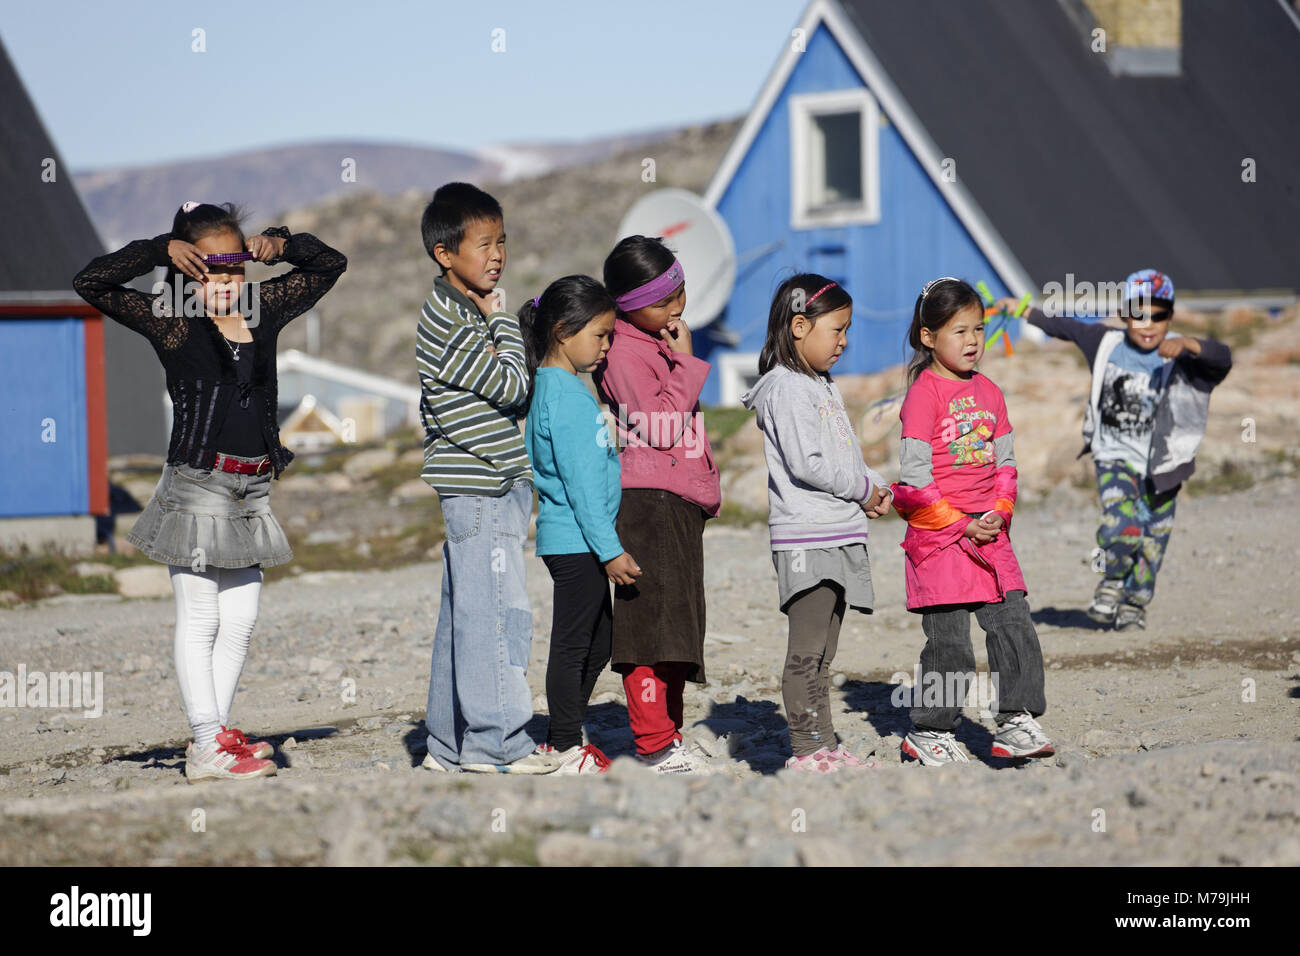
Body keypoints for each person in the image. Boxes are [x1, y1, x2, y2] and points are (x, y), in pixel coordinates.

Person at [73, 200, 347, 782]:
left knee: (241, 619)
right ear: (185, 266)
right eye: (208, 268)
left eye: (233, 267)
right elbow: (90, 281)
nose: (223, 281)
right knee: (200, 620)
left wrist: (282, 244)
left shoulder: (262, 308)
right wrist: (155, 249)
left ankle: (217, 736)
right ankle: (205, 744)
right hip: (198, 485)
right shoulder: (171, 320)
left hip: (253, 489)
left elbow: (330, 265)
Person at [416, 183, 556, 774]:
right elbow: (511, 385)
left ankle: (448, 749)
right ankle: (499, 743)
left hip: (485, 486)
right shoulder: (452, 319)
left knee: (464, 619)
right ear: (445, 253)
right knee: (497, 613)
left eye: (502, 241)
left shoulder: (460, 311)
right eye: (483, 244)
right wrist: (502, 322)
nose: (497, 255)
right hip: (482, 486)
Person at [1008, 269, 1232, 629]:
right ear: (1125, 314)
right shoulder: (1106, 343)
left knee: (1152, 542)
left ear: (1170, 318)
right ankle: (1111, 580)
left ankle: (1134, 604)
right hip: (1114, 457)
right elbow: (1063, 326)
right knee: (1119, 525)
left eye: (1158, 316)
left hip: (1164, 466)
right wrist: (1021, 310)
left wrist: (1190, 344)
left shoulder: (1182, 354)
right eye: (1138, 314)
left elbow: (1222, 359)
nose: (1148, 324)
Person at [891, 277, 1053, 765]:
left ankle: (1016, 719)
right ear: (928, 337)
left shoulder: (991, 392)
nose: (972, 341)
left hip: (991, 534)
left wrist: (999, 513)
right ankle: (929, 730)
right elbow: (915, 478)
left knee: (1014, 625)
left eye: (979, 329)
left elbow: (1006, 464)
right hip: (940, 537)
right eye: (959, 331)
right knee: (950, 645)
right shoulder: (923, 395)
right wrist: (960, 523)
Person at [741, 275, 890, 772]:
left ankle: (824, 743)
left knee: (825, 651)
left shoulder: (820, 386)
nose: (844, 341)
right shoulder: (785, 388)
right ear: (799, 326)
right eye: (837, 329)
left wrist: (873, 483)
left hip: (837, 530)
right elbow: (808, 463)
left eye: (848, 331)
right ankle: (806, 750)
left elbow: (843, 455)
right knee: (806, 651)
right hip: (807, 536)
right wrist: (861, 489)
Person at [593, 236, 720, 773]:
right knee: (649, 627)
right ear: (627, 304)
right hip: (647, 500)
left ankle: (670, 736)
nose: (677, 307)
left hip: (676, 501)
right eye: (663, 300)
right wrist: (687, 363)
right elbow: (662, 427)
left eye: (681, 293)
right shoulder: (624, 351)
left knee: (678, 626)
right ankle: (653, 744)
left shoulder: (655, 340)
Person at [521, 276, 638, 774]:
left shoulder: (554, 386)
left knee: (599, 642)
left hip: (573, 538)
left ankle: (564, 733)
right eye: (601, 335)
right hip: (578, 542)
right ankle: (564, 745)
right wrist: (609, 550)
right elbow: (583, 486)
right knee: (573, 644)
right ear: (564, 331)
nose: (607, 346)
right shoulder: (567, 396)